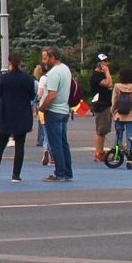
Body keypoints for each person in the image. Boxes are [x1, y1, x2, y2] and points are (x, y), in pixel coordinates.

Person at [0, 53, 38, 183]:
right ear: (20, 62)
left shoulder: (4, 79)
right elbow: (32, 96)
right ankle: (16, 175)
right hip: (22, 114)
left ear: (9, 62)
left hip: (7, 114)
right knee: (20, 146)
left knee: (0, 145)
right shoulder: (27, 79)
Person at [39, 46, 75, 182]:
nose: (44, 61)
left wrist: (42, 108)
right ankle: (67, 172)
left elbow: (52, 95)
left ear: (52, 57)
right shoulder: (66, 69)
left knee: (56, 144)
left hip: (54, 111)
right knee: (63, 142)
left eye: (45, 58)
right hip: (64, 110)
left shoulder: (54, 73)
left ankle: (59, 173)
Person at [110, 67, 132, 162]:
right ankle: (130, 156)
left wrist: (113, 111)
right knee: (130, 136)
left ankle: (116, 156)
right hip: (131, 115)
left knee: (118, 136)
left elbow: (114, 101)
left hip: (119, 115)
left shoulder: (117, 87)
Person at [89, 56, 114, 164]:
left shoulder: (101, 75)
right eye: (106, 64)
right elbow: (109, 83)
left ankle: (101, 151)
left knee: (103, 131)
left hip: (106, 105)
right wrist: (107, 72)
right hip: (101, 106)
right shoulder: (96, 76)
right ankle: (98, 153)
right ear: (100, 65)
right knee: (100, 131)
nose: (108, 66)